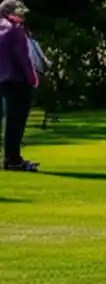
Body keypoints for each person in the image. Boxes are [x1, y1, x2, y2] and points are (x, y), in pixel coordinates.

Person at [0, 0, 37, 172]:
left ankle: (11, 158)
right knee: (16, 121)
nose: (21, 15)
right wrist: (32, 78)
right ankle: (13, 159)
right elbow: (23, 58)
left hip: (2, 79)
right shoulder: (15, 30)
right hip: (16, 81)